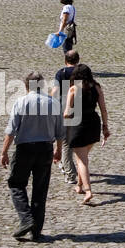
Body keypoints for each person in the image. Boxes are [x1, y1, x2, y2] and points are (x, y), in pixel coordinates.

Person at [1, 72, 65, 240]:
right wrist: (58, 150)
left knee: (16, 183)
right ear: (43, 85)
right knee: (40, 188)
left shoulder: (21, 102)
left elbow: (11, 130)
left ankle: (26, 218)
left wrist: (4, 152)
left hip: (25, 149)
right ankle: (36, 230)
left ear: (26, 86)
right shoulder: (53, 103)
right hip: (45, 149)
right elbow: (60, 132)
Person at [63, 64, 108, 205]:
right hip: (93, 124)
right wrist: (105, 127)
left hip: (78, 126)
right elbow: (103, 109)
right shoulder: (97, 87)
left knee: (82, 160)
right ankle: (79, 186)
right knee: (82, 157)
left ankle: (88, 191)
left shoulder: (73, 89)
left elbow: (67, 113)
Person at [52, 50, 80, 184]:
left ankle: (69, 172)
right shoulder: (82, 72)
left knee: (65, 143)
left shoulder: (61, 73)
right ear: (78, 60)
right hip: (80, 108)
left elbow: (56, 91)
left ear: (65, 60)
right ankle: (69, 165)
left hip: (64, 108)